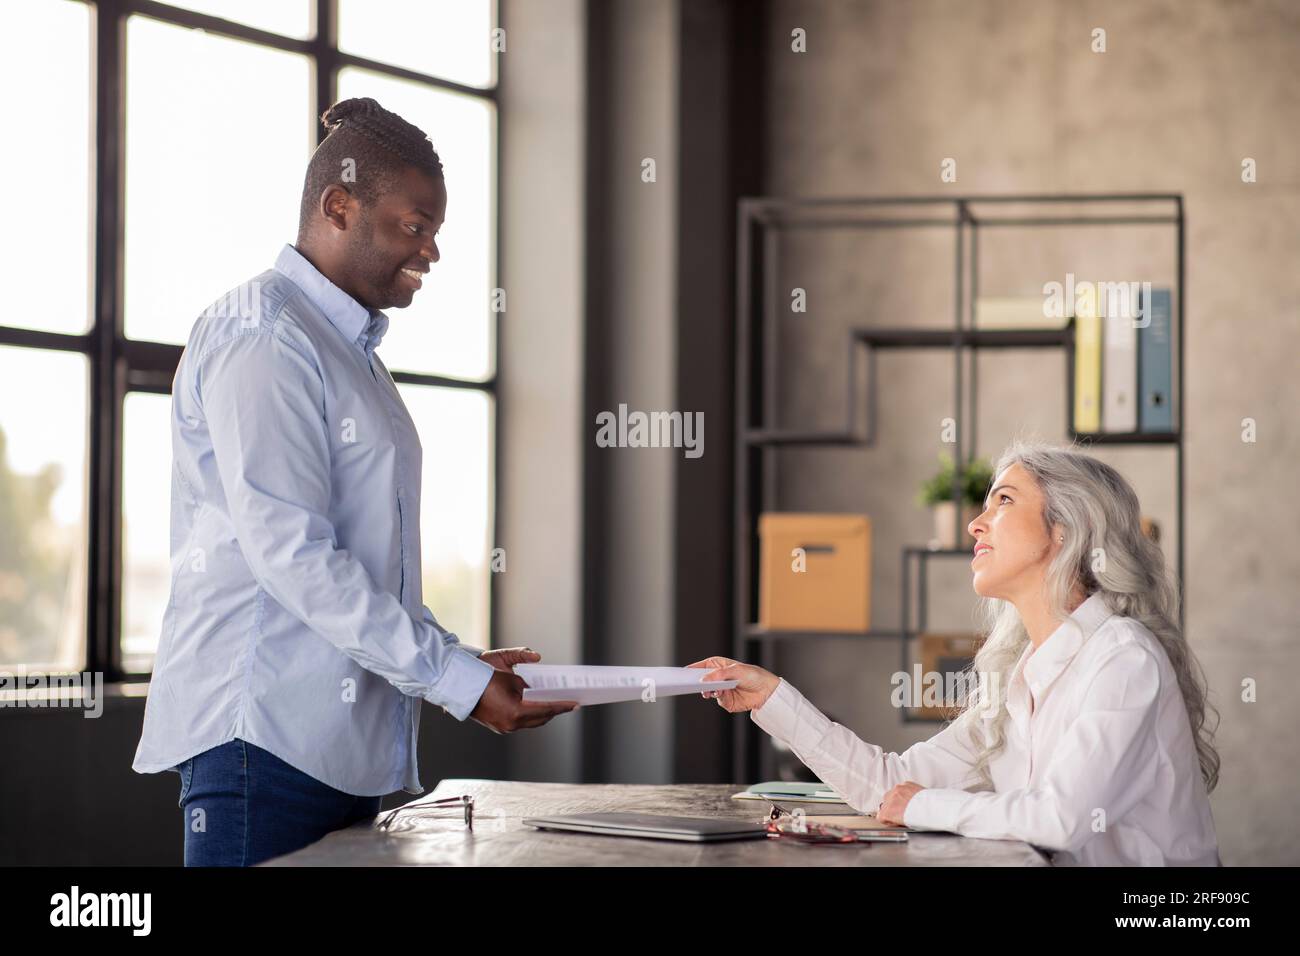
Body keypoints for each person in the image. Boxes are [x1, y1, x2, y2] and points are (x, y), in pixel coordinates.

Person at [132, 97, 577, 866]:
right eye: (416, 226)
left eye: (436, 231)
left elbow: (364, 567)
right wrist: (455, 681)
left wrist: (460, 662)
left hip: (334, 748)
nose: (432, 251)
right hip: (262, 745)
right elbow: (293, 556)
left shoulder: (348, 351)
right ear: (339, 206)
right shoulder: (262, 333)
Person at [693, 440, 1220, 866]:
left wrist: (924, 805)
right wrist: (772, 697)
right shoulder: (1021, 674)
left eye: (1005, 501)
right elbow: (887, 784)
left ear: (1064, 533)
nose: (976, 522)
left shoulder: (1122, 660)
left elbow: (1062, 817)